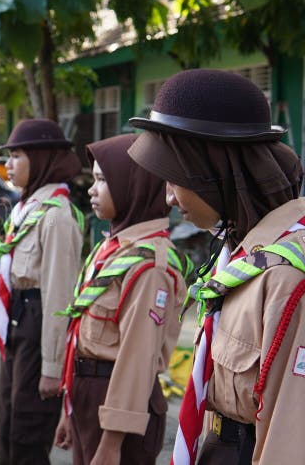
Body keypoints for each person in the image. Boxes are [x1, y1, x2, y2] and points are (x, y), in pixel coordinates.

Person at [126, 69, 305, 465]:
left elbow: (288, 437)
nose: (169, 198)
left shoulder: (285, 273)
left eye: (174, 178)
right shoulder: (240, 250)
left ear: (213, 171)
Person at [53, 133, 192, 465]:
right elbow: (79, 334)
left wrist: (113, 441)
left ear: (133, 186)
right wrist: (68, 408)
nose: (91, 189)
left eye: (102, 180)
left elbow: (137, 359)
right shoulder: (111, 249)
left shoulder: (149, 265)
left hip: (119, 404)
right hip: (90, 395)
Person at [0, 119, 85, 465]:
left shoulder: (57, 216)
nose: (10, 165)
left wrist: (52, 366)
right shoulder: (25, 208)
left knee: (27, 431)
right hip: (17, 317)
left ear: (42, 158)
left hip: (36, 321)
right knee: (6, 420)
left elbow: (59, 297)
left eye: (17, 156)